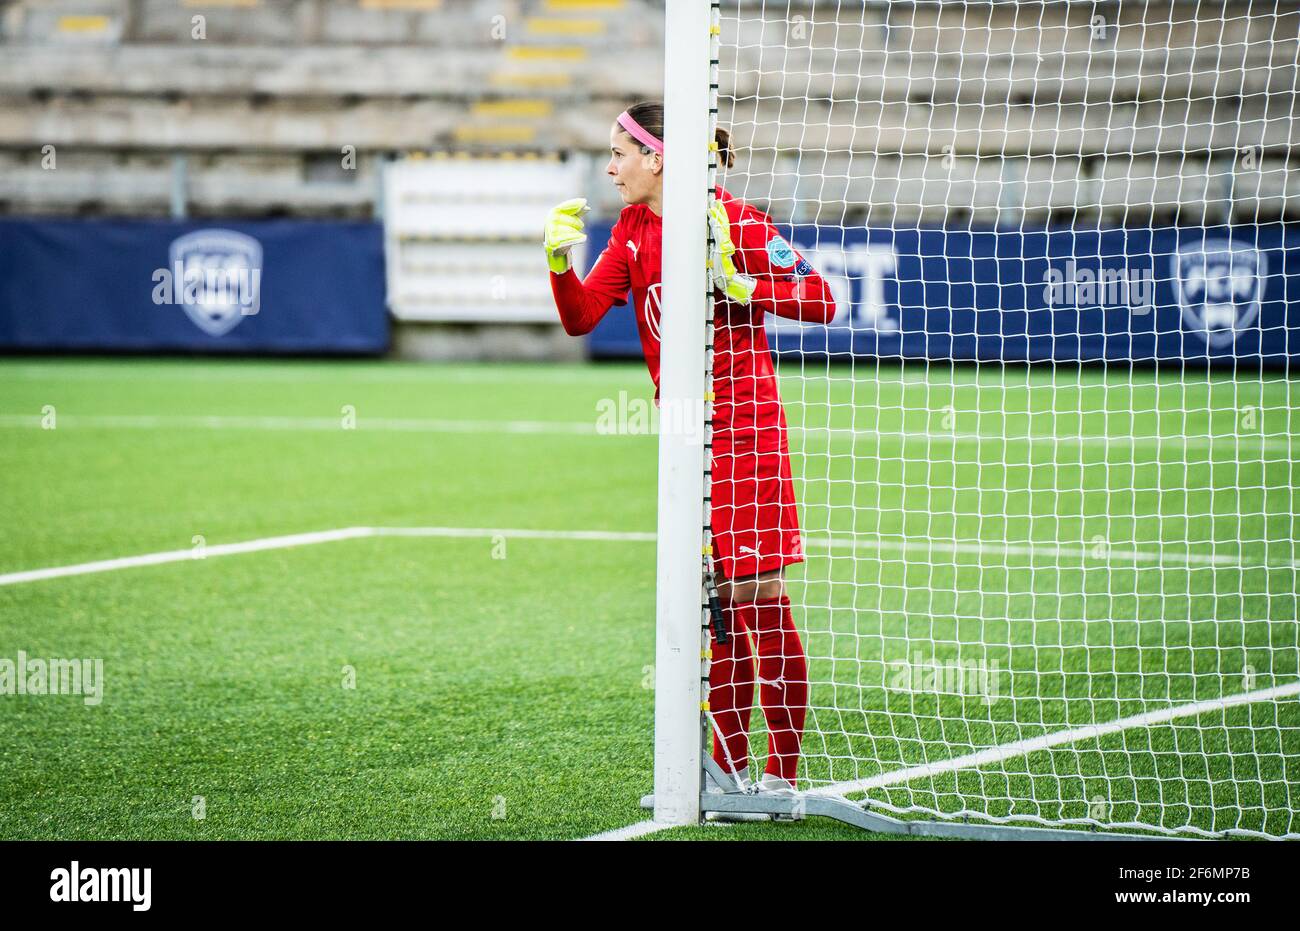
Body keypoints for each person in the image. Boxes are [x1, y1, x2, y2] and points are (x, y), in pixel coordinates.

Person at [543, 99, 837, 811]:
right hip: (683, 437)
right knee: (715, 606)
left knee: (755, 596)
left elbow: (822, 298)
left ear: (657, 157)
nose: (609, 167)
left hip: (746, 430)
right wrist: (558, 260)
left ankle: (782, 778)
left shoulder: (730, 219)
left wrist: (745, 285)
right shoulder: (634, 231)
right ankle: (732, 776)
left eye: (619, 153)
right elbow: (582, 316)